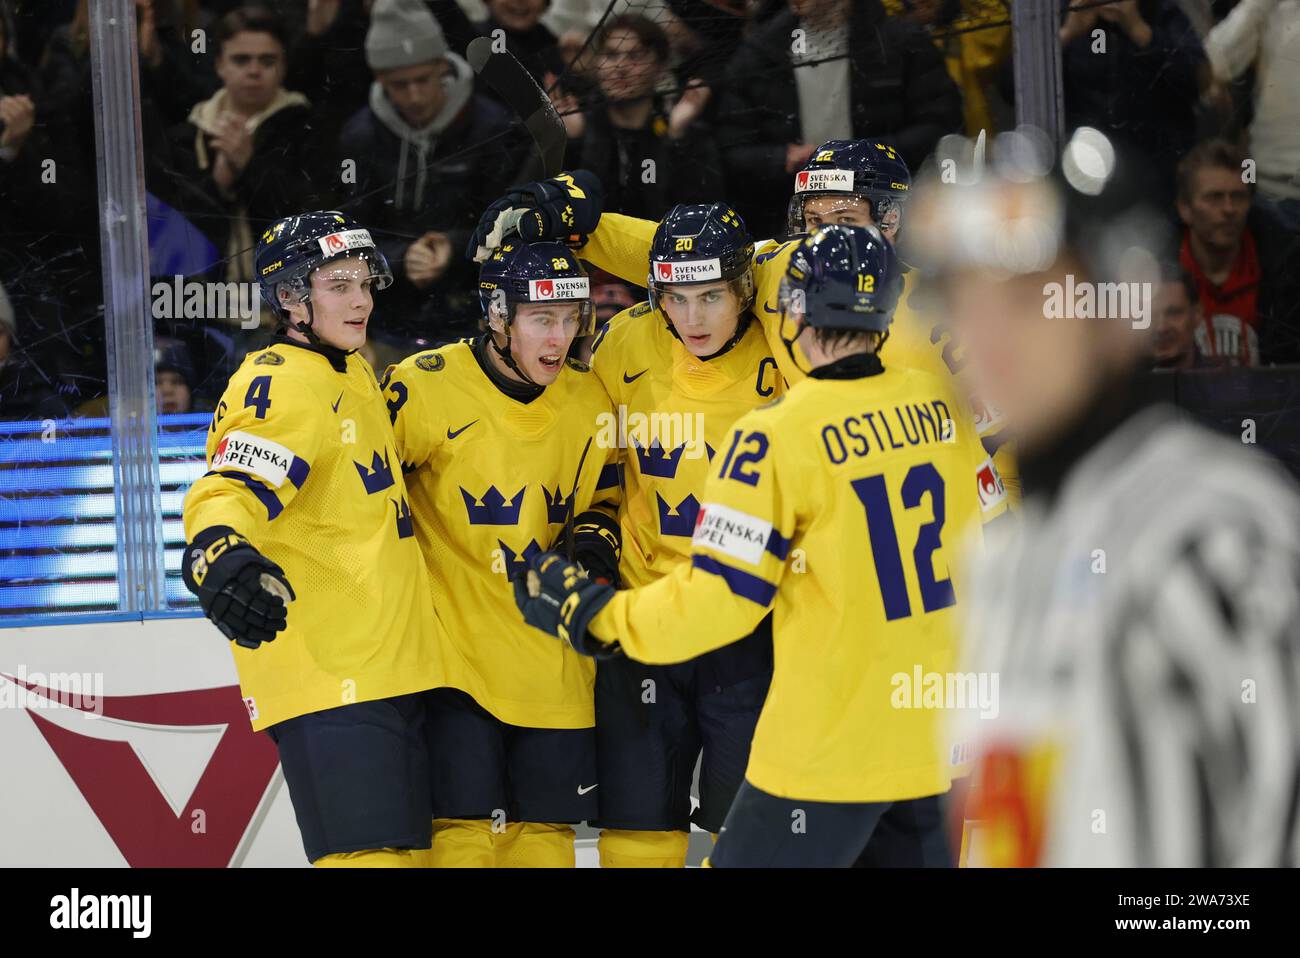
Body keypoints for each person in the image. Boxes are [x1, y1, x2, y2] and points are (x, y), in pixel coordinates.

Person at [515, 225, 1006, 866]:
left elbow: (718, 603)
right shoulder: (941, 410)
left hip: (824, 746)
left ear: (793, 312)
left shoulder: (773, 439)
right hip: (933, 743)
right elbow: (995, 541)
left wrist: (597, 616)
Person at [911, 127, 1300, 867]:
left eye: (1027, 299)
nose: (986, 337)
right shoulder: (1009, 549)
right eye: (966, 302)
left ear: (1120, 310)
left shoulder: (1215, 536)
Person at [181, 211, 449, 867]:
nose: (360, 299)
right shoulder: (285, 384)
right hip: (334, 681)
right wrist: (217, 553)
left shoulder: (347, 368)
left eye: (363, 281)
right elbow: (229, 489)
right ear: (290, 298)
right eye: (338, 285)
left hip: (386, 675)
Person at [380, 240, 620, 867]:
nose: (561, 336)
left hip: (555, 667)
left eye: (573, 319)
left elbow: (610, 496)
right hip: (456, 665)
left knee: (546, 839)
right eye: (543, 318)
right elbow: (364, 497)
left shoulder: (590, 401)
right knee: (459, 839)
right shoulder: (424, 387)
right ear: (496, 315)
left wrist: (597, 538)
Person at [585, 203, 784, 868]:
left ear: (743, 291)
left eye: (710, 297)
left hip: (750, 627)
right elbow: (597, 463)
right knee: (639, 830)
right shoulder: (624, 341)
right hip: (645, 621)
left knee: (748, 829)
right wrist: (594, 533)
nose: (692, 319)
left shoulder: (788, 350)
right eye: (676, 298)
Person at [339, 0, 529, 343]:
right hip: (385, 311)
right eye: (399, 84)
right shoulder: (360, 137)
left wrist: (454, 248)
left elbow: (510, 220)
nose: (414, 95)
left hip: (474, 307)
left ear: (443, 65)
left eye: (423, 79)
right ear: (379, 79)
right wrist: (398, 259)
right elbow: (348, 228)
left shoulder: (492, 127)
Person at [715, 0, 962, 236]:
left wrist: (866, 160)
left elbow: (940, 126)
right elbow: (732, 148)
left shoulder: (901, 41)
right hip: (794, 217)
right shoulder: (760, 53)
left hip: (897, 210)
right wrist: (782, 157)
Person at [1174, 139, 1300, 366]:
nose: (1229, 209)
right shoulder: (1156, 271)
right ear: (1185, 208)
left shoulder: (1288, 269)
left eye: (1238, 197)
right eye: (1214, 197)